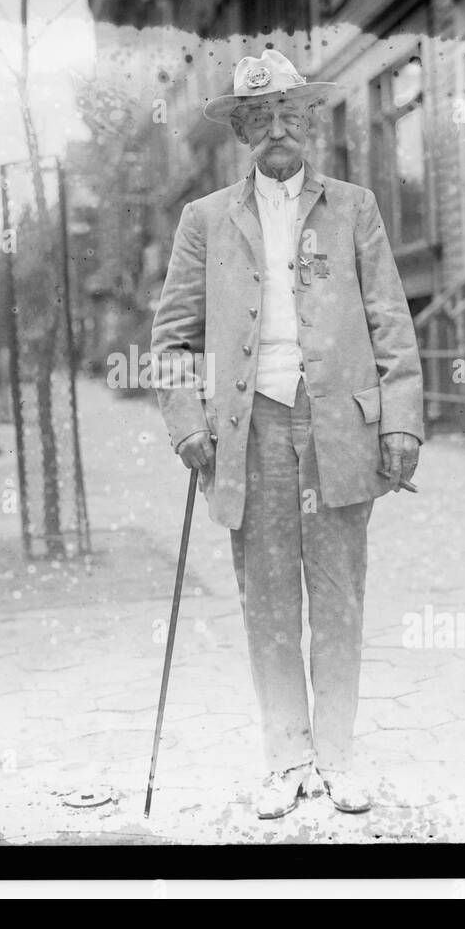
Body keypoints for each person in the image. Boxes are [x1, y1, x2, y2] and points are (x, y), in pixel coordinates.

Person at [151, 49, 424, 819]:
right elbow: (171, 338)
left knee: (338, 594)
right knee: (268, 598)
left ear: (309, 123)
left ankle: (337, 759)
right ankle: (285, 758)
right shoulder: (204, 220)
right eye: (261, 116)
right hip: (251, 428)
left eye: (290, 114)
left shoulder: (355, 208)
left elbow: (391, 323)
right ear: (241, 128)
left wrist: (402, 419)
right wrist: (185, 424)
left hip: (336, 422)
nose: (278, 128)